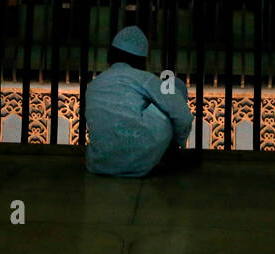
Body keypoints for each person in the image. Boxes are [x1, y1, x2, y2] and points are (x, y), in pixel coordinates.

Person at [84, 26, 197, 177]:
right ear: (142, 60)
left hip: (99, 165)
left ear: (109, 56)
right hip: (140, 163)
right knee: (173, 86)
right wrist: (179, 140)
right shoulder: (145, 79)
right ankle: (171, 154)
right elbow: (183, 116)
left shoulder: (94, 85)